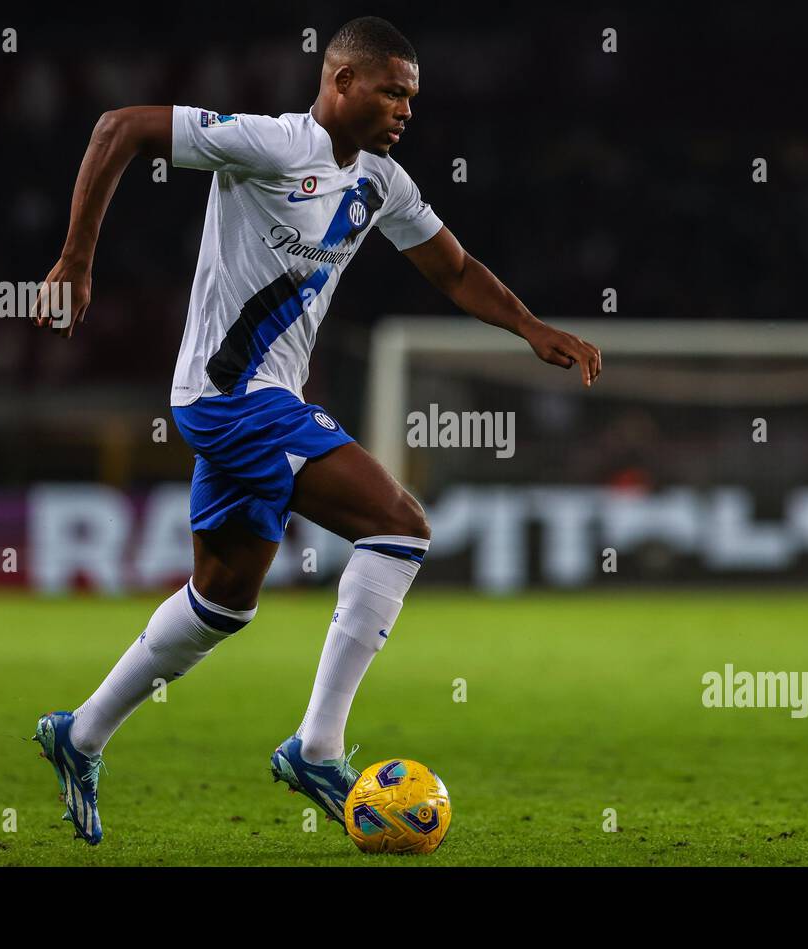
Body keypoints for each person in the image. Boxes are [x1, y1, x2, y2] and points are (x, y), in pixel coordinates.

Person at [30, 15, 601, 844]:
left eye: (413, 96)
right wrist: (78, 258)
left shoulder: (381, 182)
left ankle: (77, 736)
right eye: (392, 91)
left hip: (252, 403)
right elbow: (118, 128)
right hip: (235, 399)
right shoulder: (268, 144)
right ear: (340, 83)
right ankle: (317, 745)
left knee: (222, 604)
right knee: (401, 527)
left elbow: (455, 268)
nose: (406, 109)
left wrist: (531, 327)